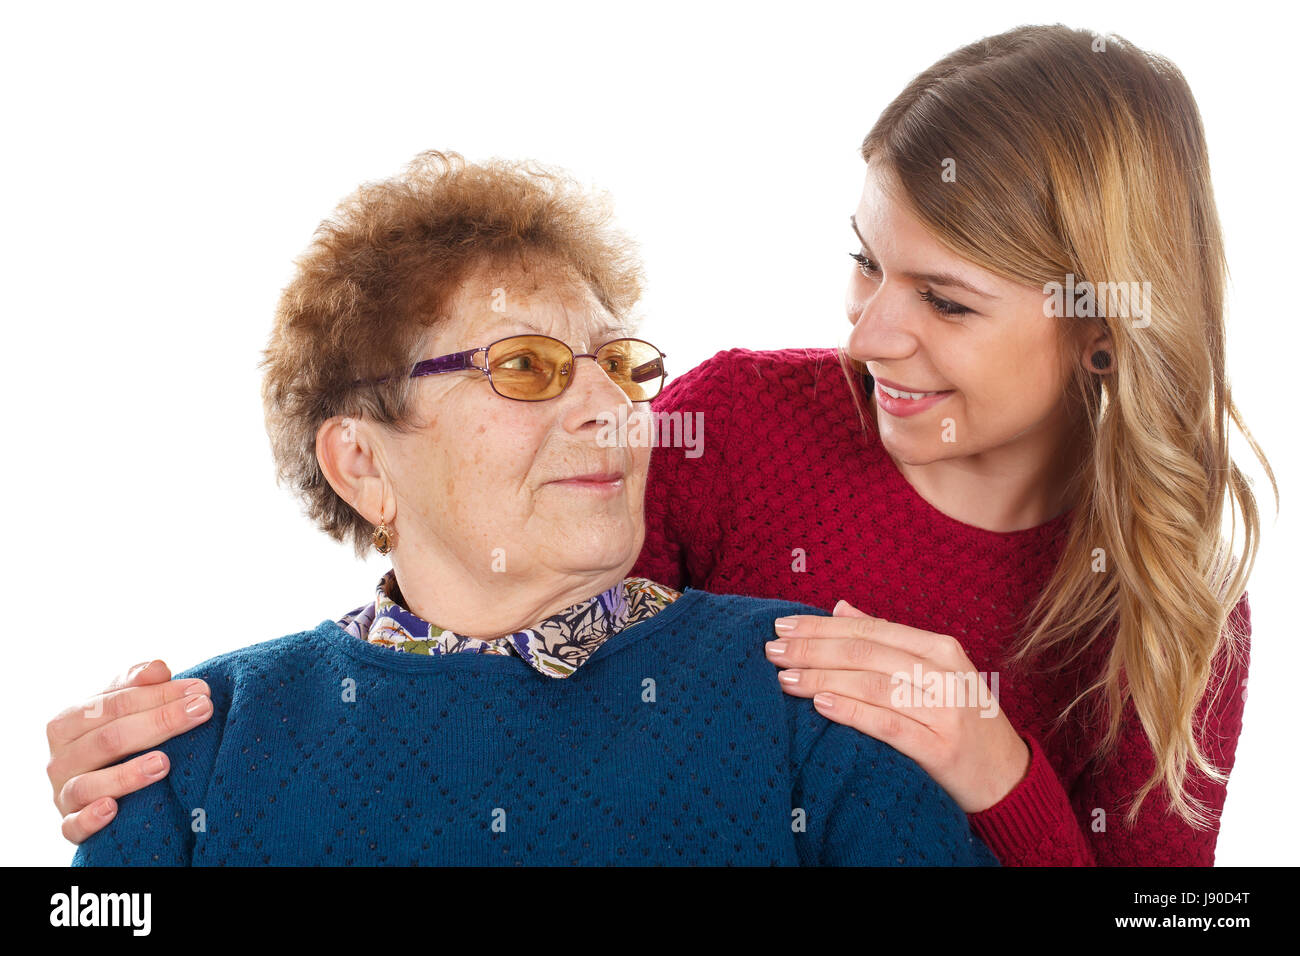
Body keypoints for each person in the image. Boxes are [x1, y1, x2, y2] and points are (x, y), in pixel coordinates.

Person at [50, 24, 1270, 866]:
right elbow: (496, 585)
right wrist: (202, 736)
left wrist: (994, 766)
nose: (870, 333)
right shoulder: (735, 421)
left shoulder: (1172, 604)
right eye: (862, 261)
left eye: (945, 302)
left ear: (1099, 329)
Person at [66, 150, 996, 866]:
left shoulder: (815, 697)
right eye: (523, 367)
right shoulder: (188, 751)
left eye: (619, 365)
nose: (611, 407)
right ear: (361, 462)